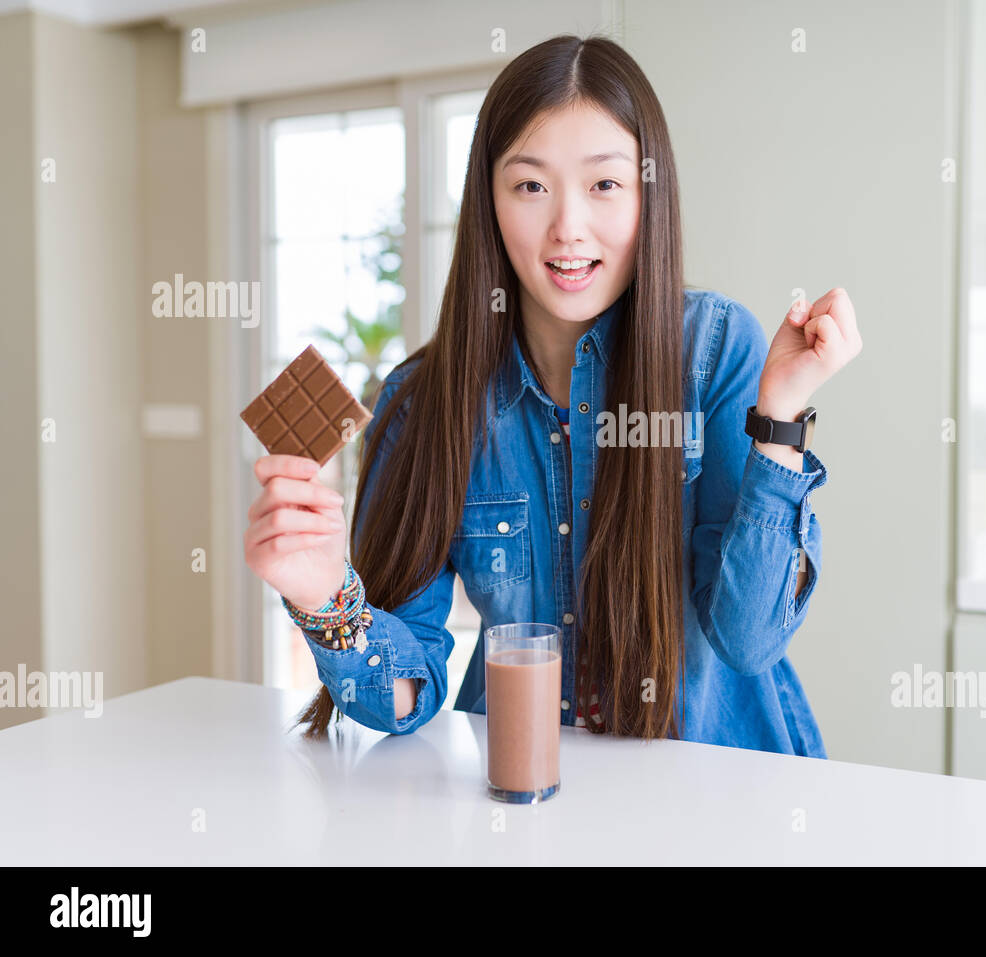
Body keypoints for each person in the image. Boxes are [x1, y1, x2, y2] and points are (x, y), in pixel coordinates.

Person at [243, 33, 860, 758]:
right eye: (531, 185)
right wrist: (325, 596)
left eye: (605, 184)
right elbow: (403, 699)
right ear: (490, 201)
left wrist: (780, 421)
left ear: (647, 194)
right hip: (521, 798)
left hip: (723, 800)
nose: (569, 227)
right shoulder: (424, 401)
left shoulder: (717, 351)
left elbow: (750, 639)